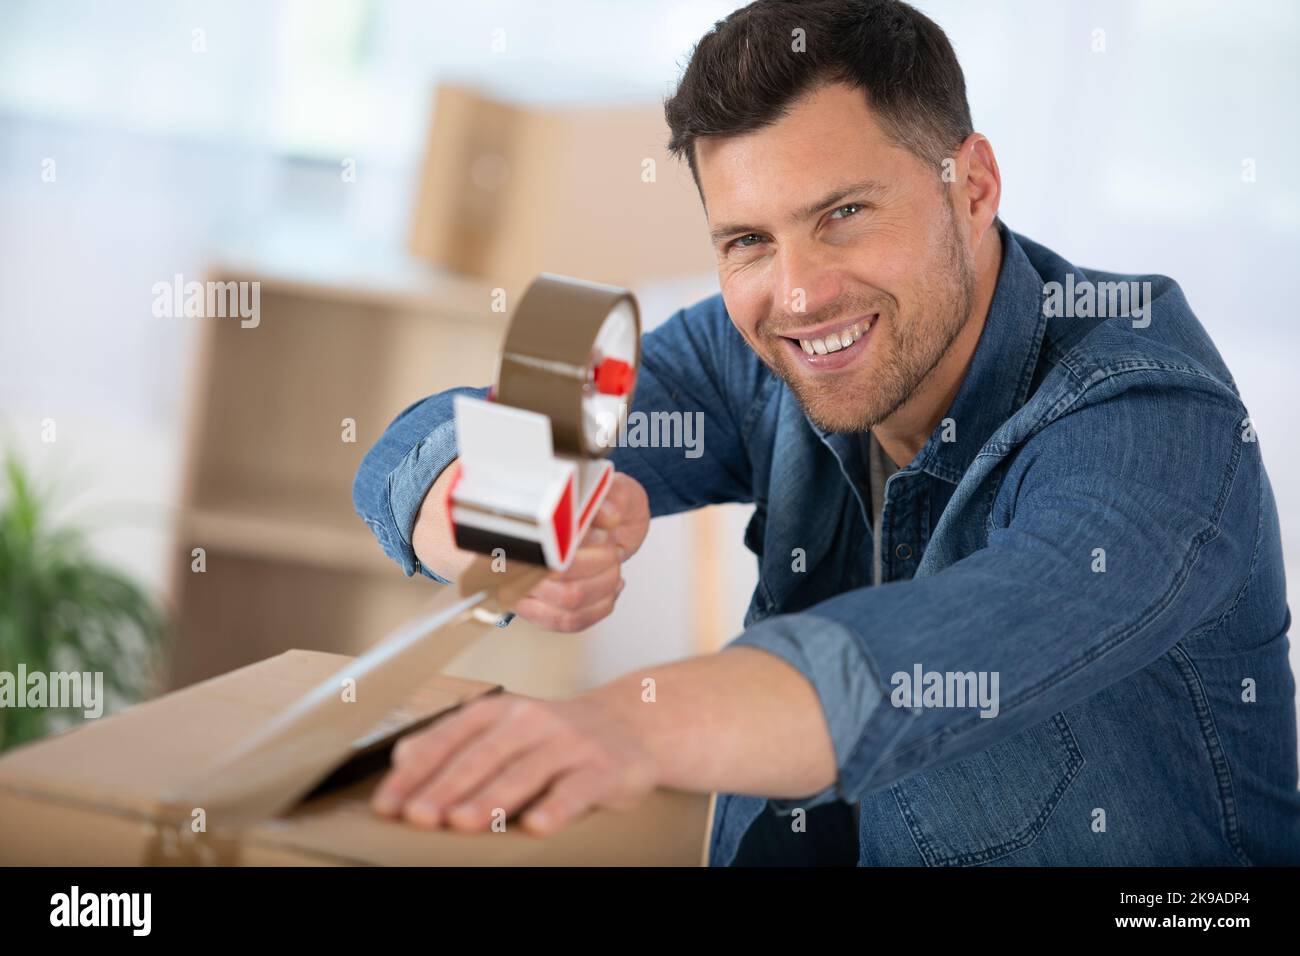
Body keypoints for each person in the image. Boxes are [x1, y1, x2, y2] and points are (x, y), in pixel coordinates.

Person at [351, 0, 1299, 865]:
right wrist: (501, 520)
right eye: (748, 241)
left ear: (973, 187)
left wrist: (634, 726)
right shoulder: (763, 353)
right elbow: (438, 444)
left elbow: (937, 656)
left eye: (844, 214)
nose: (799, 296)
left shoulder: (1151, 416)